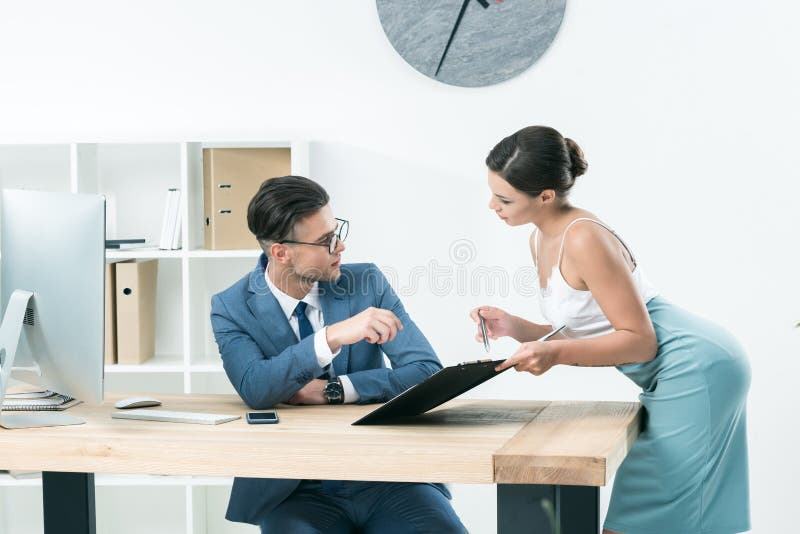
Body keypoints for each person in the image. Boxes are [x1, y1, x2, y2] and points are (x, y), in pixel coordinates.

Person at [471, 126, 751, 534]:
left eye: (504, 198)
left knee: (635, 522)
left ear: (546, 196)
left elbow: (639, 342)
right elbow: (590, 327)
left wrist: (553, 355)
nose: (491, 205)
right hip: (678, 369)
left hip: (694, 366)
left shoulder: (583, 237)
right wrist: (517, 328)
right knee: (676, 518)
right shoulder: (540, 237)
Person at [210, 175, 465, 533]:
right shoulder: (232, 307)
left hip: (387, 475)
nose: (341, 247)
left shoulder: (367, 283)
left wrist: (337, 389)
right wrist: (329, 337)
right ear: (281, 252)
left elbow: (426, 371)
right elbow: (255, 387)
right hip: (294, 488)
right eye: (326, 241)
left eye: (337, 232)